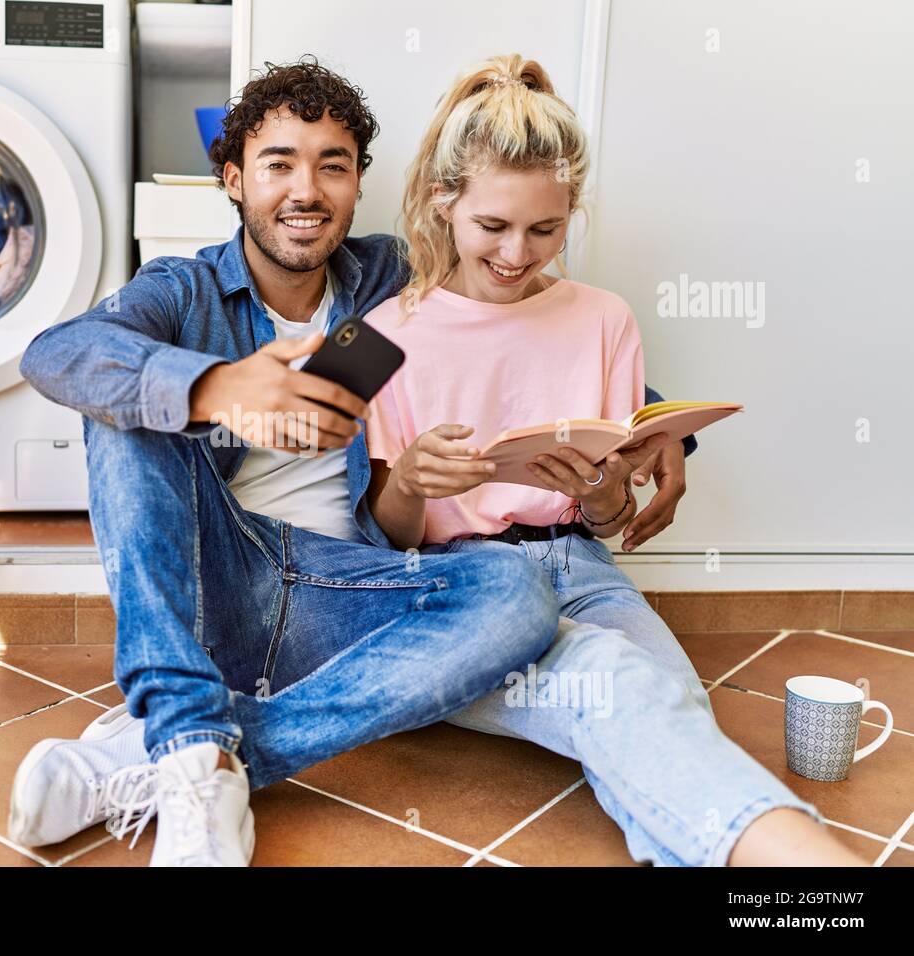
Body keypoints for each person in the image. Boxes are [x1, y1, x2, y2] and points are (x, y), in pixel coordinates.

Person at [359, 54, 863, 866]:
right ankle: (817, 881)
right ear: (441, 202)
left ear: (571, 214)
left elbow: (611, 518)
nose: (519, 253)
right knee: (625, 691)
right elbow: (385, 539)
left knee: (673, 707)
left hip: (580, 567)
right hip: (460, 589)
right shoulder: (383, 335)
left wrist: (599, 496)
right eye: (493, 226)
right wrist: (414, 480)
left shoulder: (604, 318)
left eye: (545, 229)